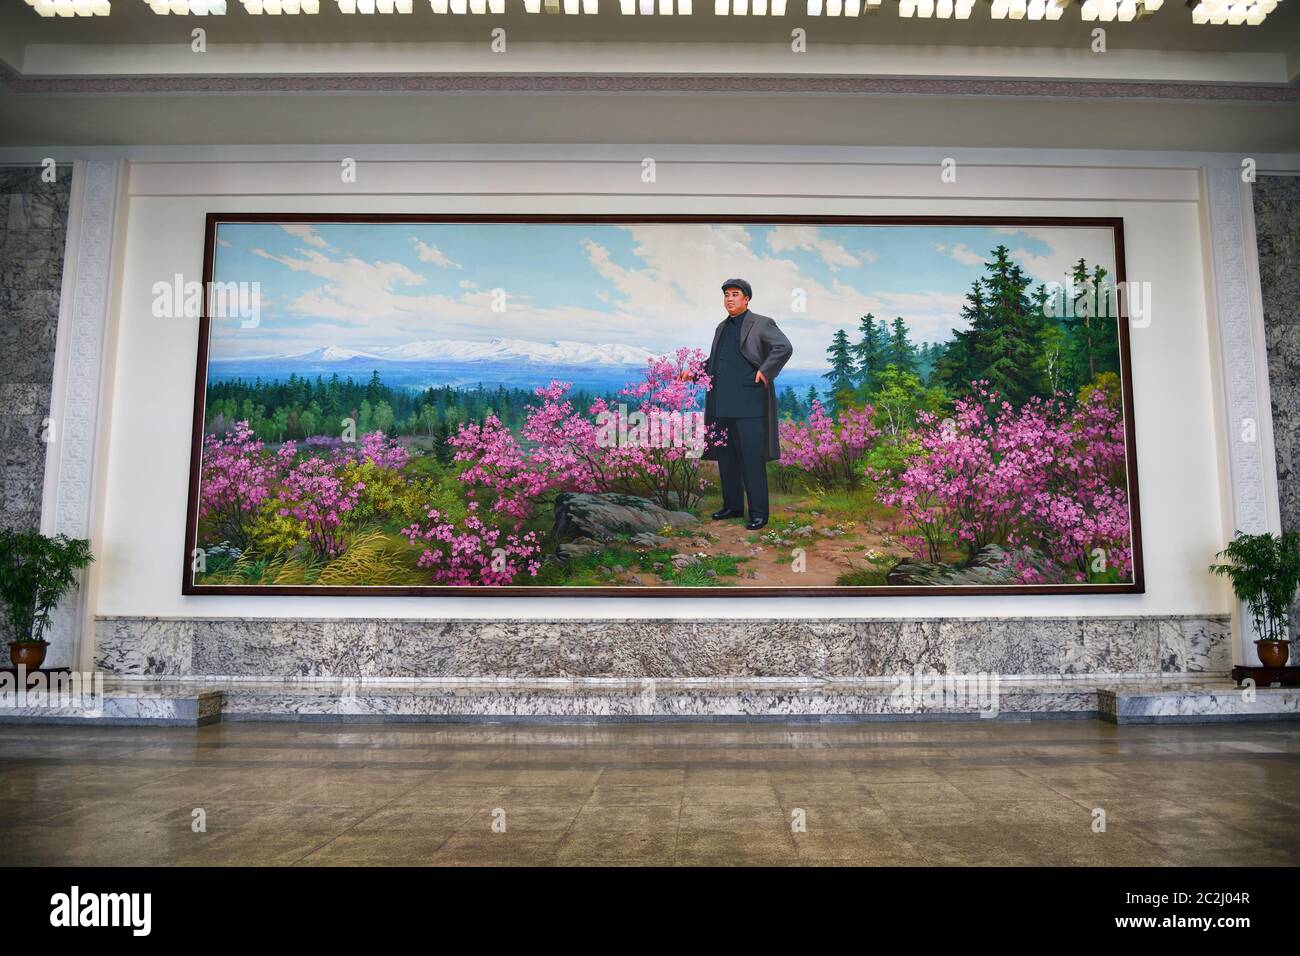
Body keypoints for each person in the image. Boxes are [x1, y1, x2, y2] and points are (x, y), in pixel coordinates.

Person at [701, 278, 793, 531]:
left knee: (751, 460)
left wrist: (765, 371)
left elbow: (783, 347)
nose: (729, 299)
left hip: (749, 403)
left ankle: (759, 513)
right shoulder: (721, 327)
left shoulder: (761, 323)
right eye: (726, 295)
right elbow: (716, 361)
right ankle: (732, 507)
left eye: (735, 294)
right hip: (721, 403)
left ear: (746, 299)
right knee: (727, 458)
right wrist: (696, 372)